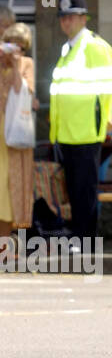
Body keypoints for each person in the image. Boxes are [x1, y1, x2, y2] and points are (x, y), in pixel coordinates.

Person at [49, 0, 112, 248]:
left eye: (71, 16)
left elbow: (109, 87)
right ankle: (78, 233)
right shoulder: (68, 48)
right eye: (63, 17)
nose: (66, 21)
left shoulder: (95, 47)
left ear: (83, 18)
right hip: (68, 130)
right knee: (74, 186)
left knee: (85, 187)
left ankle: (86, 237)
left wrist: (105, 120)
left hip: (87, 129)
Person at [0, 22, 37, 236]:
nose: (15, 51)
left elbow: (22, 92)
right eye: (10, 44)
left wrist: (14, 66)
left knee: (10, 188)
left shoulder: (26, 64)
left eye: (20, 47)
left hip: (14, 134)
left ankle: (6, 242)